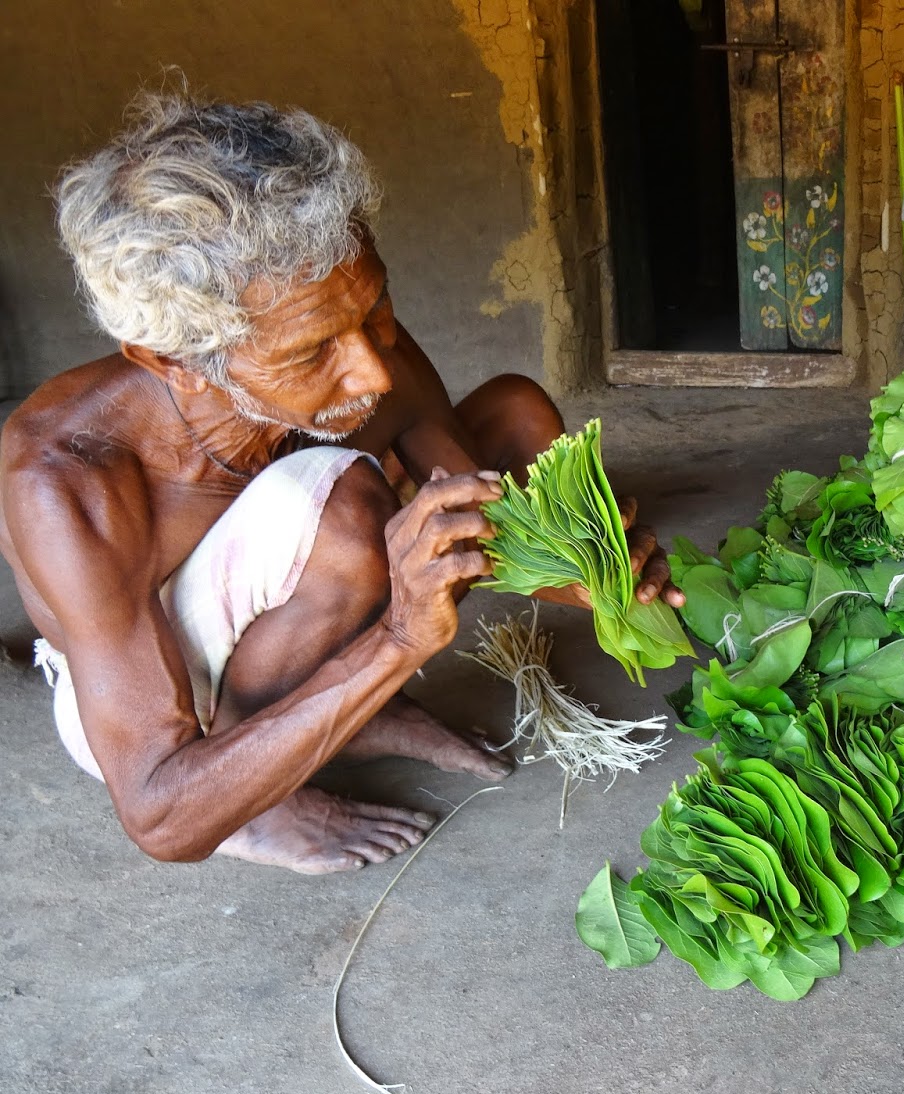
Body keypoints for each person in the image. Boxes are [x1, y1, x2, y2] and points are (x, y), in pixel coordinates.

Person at [0, 92, 682, 875]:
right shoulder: (72, 478)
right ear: (177, 366)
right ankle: (262, 801)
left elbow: (475, 504)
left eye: (375, 306)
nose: (370, 366)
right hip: (149, 699)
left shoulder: (347, 336)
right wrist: (397, 644)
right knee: (344, 510)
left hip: (270, 606)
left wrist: (589, 575)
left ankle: (354, 712)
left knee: (514, 421)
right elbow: (160, 813)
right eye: (310, 352)